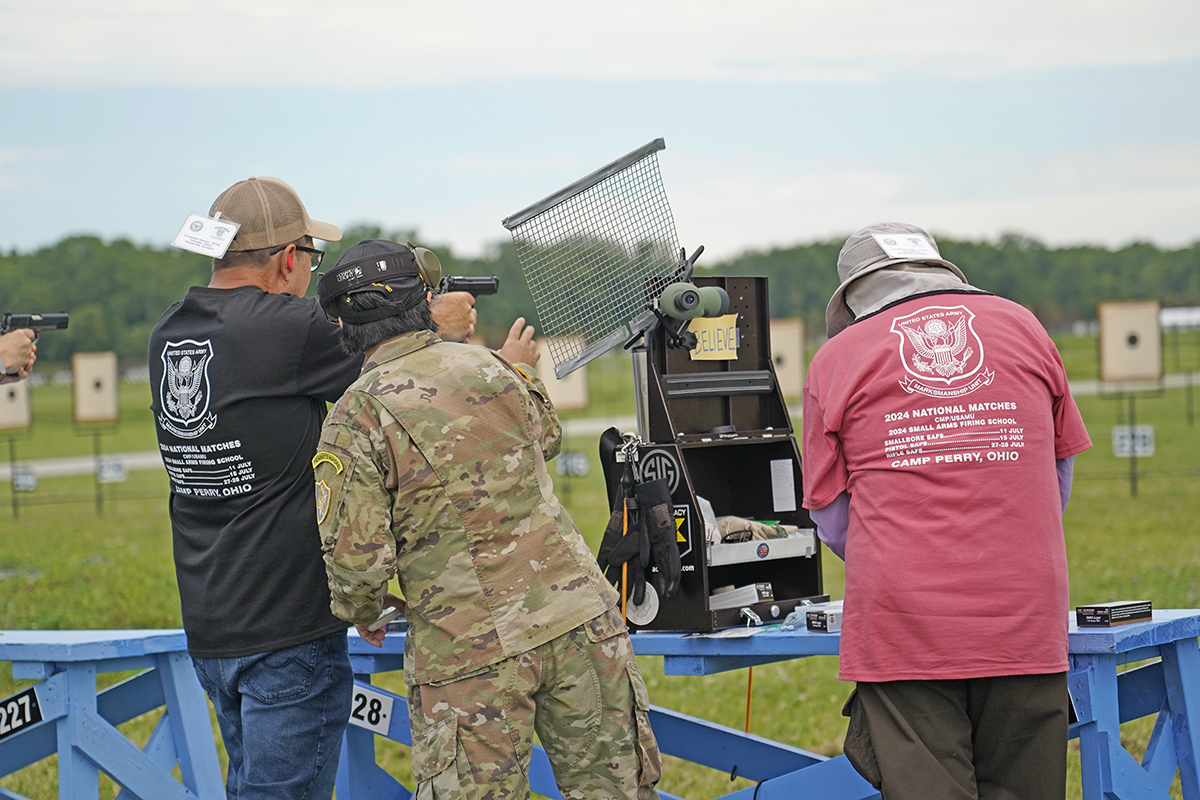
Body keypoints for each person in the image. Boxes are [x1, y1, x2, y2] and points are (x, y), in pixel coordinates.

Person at [148, 177, 477, 800]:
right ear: (289, 260)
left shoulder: (170, 332)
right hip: (287, 625)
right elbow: (399, 360)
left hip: (213, 618)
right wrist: (444, 324)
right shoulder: (289, 325)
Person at [313, 239, 662, 800]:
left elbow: (357, 563)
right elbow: (546, 437)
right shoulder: (491, 365)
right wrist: (517, 369)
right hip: (579, 618)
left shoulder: (355, 415)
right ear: (425, 301)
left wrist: (363, 609)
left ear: (342, 325)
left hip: (466, 649)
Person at [801, 222, 1092, 800]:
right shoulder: (1026, 326)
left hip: (902, 628)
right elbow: (1055, 474)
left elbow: (831, 514)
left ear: (856, 297)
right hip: (1025, 613)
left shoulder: (835, 360)